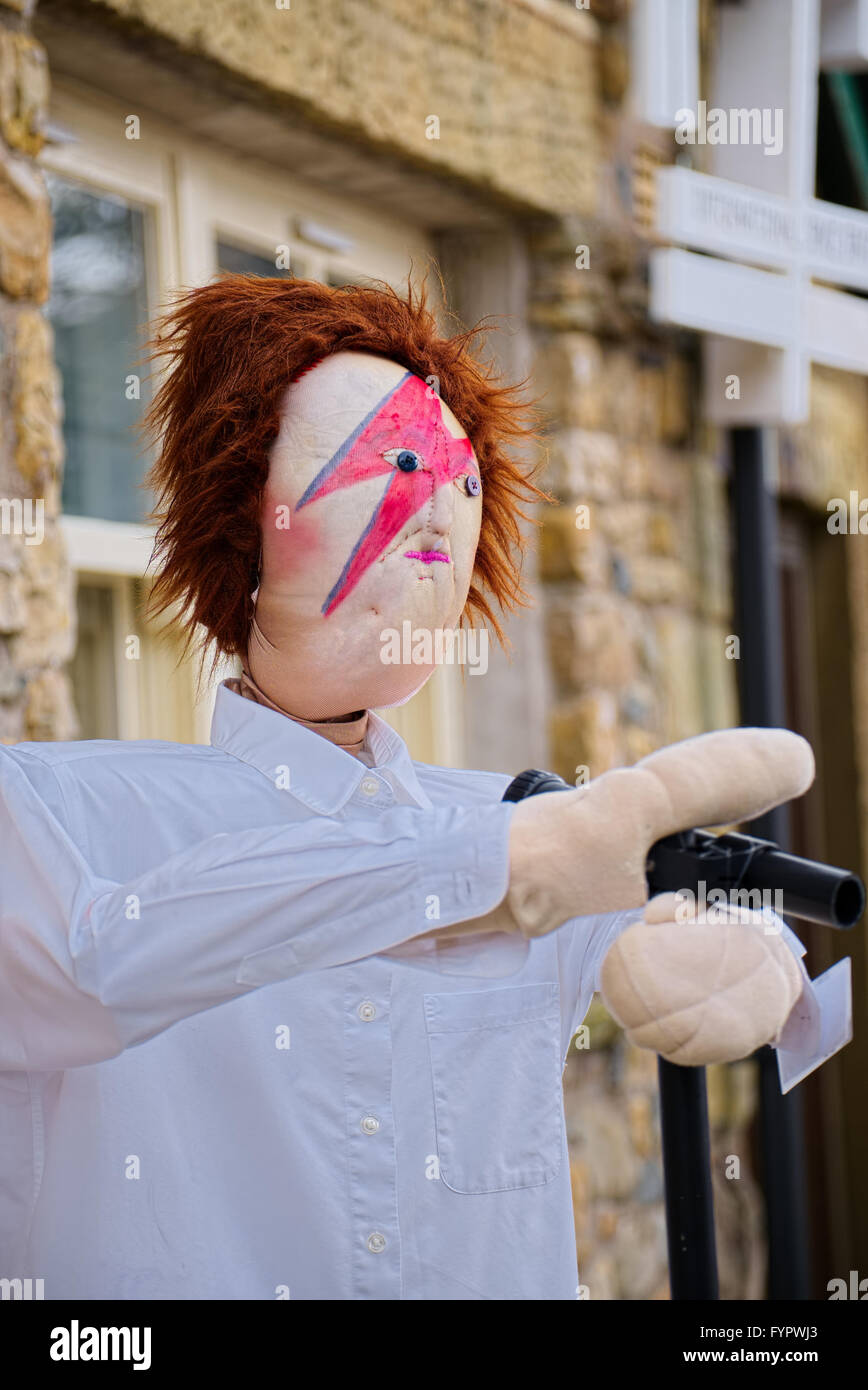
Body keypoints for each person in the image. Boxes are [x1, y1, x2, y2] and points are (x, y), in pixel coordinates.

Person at [0, 276, 814, 1300]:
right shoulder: (63, 814)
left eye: (462, 482)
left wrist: (737, 950)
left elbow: (692, 939)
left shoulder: (514, 814)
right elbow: (92, 969)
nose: (433, 509)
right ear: (242, 516)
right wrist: (489, 870)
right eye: (391, 462)